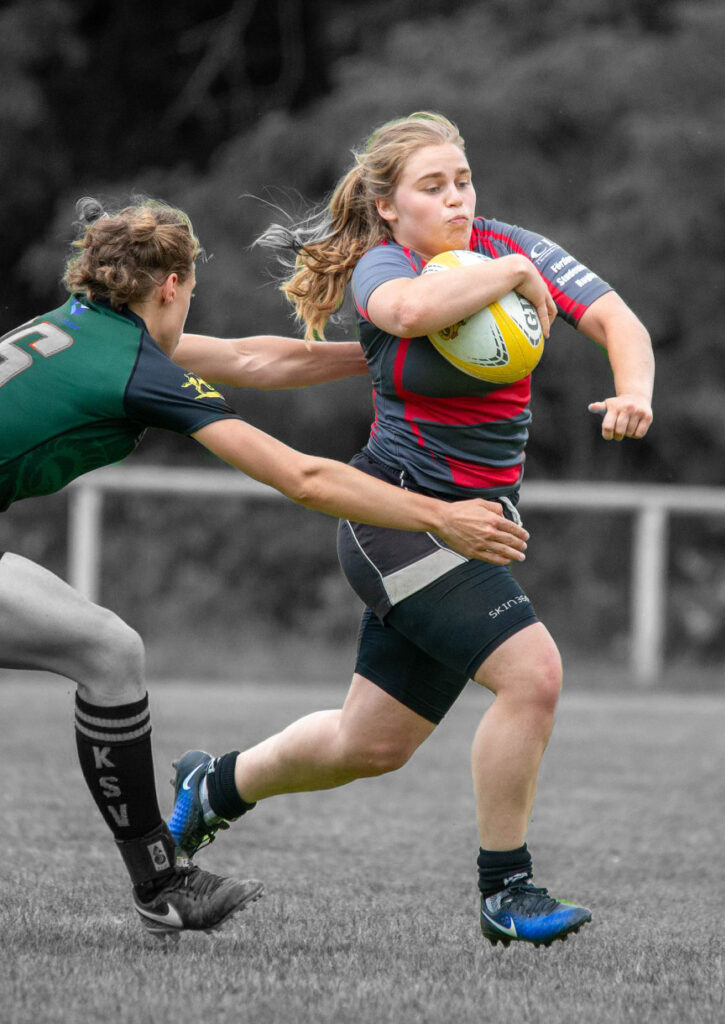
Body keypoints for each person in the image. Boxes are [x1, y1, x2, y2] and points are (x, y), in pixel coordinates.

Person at [168, 111, 654, 947]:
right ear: (388, 207)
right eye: (434, 186)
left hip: (474, 524)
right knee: (533, 675)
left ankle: (213, 787)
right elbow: (407, 310)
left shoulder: (506, 245)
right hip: (395, 517)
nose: (458, 199)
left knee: (370, 743)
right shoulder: (384, 265)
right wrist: (510, 277)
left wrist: (634, 387)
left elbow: (619, 319)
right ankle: (508, 893)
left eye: (463, 180)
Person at [0, 195, 528, 938]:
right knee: (108, 652)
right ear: (173, 287)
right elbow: (302, 478)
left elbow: (255, 357)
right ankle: (162, 883)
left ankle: (162, 883)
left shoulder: (82, 330)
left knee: (108, 651)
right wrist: (441, 517)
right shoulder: (133, 366)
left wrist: (390, 354)